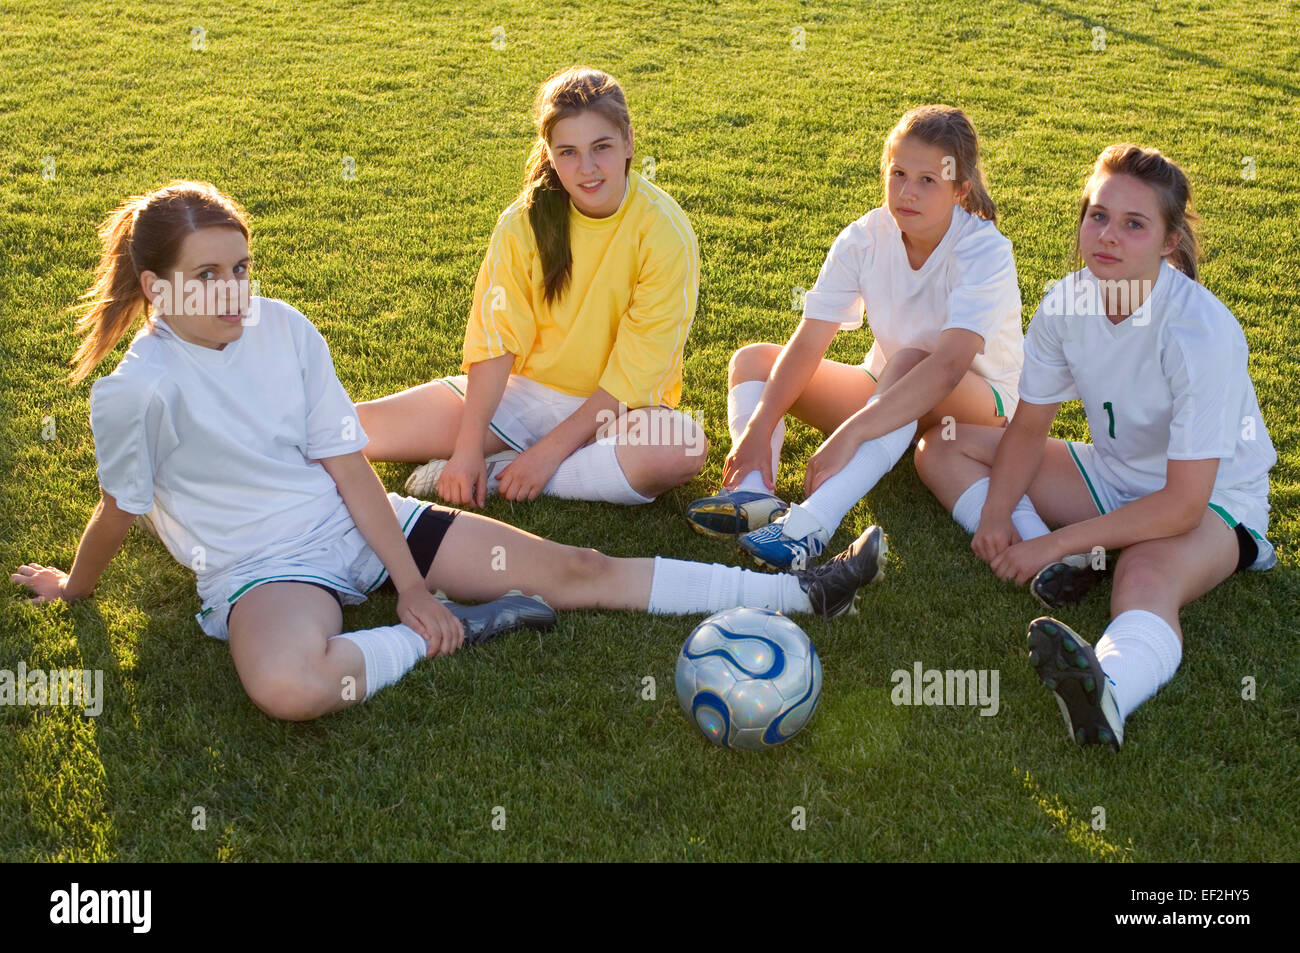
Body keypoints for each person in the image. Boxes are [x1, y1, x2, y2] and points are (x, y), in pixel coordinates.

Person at [11, 181, 886, 723]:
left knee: (578, 565)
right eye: (209, 276)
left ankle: (795, 592)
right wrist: (74, 586)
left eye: (242, 265)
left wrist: (414, 575)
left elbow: (348, 466)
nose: (236, 291)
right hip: (263, 569)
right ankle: (456, 630)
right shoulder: (136, 390)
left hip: (353, 520)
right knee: (288, 688)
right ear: (156, 288)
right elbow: (122, 505)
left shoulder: (282, 328)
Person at [914, 144, 1277, 751]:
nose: (1108, 236)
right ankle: (1048, 564)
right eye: (1098, 216)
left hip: (1213, 501)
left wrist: (1063, 537)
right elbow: (1028, 429)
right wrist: (1000, 517)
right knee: (943, 447)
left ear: (1168, 242)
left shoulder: (1198, 332)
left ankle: (1111, 687)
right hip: (1109, 475)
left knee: (1141, 572)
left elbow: (1183, 504)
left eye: (1135, 224)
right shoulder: (1067, 302)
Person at [685, 105, 1023, 572]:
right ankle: (754, 494)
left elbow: (946, 367)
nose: (907, 192)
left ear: (960, 189)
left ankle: (810, 527)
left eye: (929, 180)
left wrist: (851, 432)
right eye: (899, 172)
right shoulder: (865, 237)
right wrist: (760, 428)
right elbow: (809, 343)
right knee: (753, 362)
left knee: (909, 362)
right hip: (889, 389)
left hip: (980, 408)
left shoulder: (984, 250)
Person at [355, 66, 705, 507]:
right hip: (524, 398)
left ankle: (507, 473)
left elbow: (635, 375)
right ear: (551, 154)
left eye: (602, 147)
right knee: (351, 429)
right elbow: (496, 342)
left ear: (629, 141)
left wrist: (548, 454)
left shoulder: (664, 231)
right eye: (568, 153)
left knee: (680, 446)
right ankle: (508, 457)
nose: (588, 168)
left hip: (618, 413)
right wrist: (466, 448)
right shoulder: (522, 222)